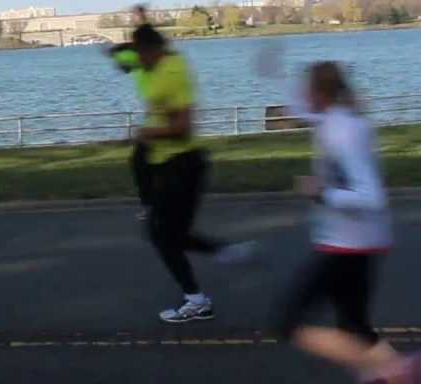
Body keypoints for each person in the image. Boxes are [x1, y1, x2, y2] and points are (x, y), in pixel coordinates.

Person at [258, 52, 420, 383]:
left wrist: (321, 193)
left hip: (347, 247)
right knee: (353, 325)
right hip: (362, 242)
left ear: (320, 92)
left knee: (287, 322)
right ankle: (390, 371)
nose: (302, 96)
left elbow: (371, 195)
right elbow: (302, 110)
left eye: (306, 89)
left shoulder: (339, 132)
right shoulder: (338, 117)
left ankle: (394, 370)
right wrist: (275, 75)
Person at [131, 23, 254, 324]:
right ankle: (223, 252)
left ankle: (197, 299)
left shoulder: (172, 75)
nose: (137, 61)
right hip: (170, 163)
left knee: (162, 235)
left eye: (140, 54)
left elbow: (183, 126)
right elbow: (135, 57)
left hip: (183, 164)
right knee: (169, 234)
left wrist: (149, 132)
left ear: (152, 51)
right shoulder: (167, 61)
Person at [109, 41, 153, 217]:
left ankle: (152, 206)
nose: (118, 68)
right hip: (157, 117)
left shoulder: (140, 64)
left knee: (140, 162)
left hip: (164, 118)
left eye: (120, 63)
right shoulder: (140, 67)